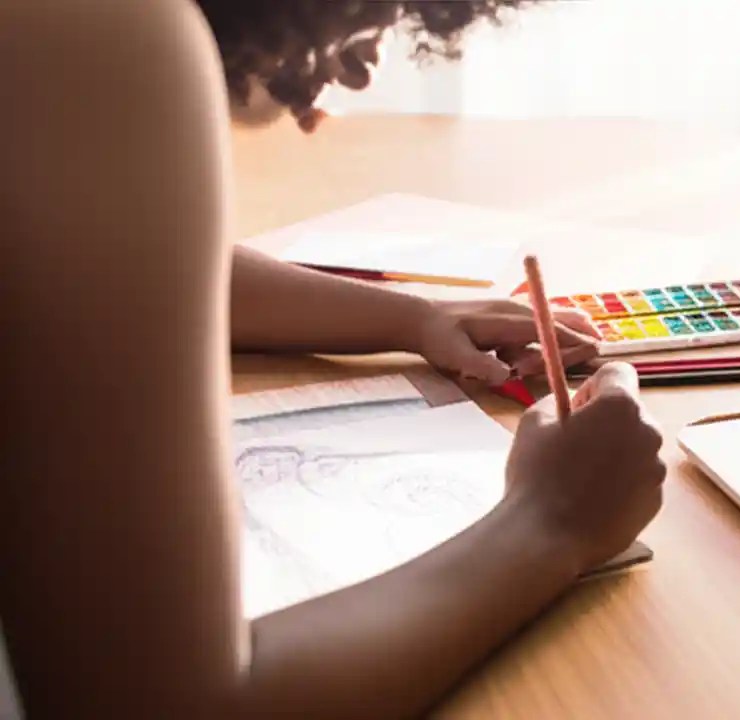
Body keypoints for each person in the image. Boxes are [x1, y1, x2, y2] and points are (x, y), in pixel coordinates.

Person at [0, 2, 666, 717]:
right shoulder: (91, 29)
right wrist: (551, 523)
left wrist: (413, 317)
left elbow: (101, 262)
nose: (357, 68)